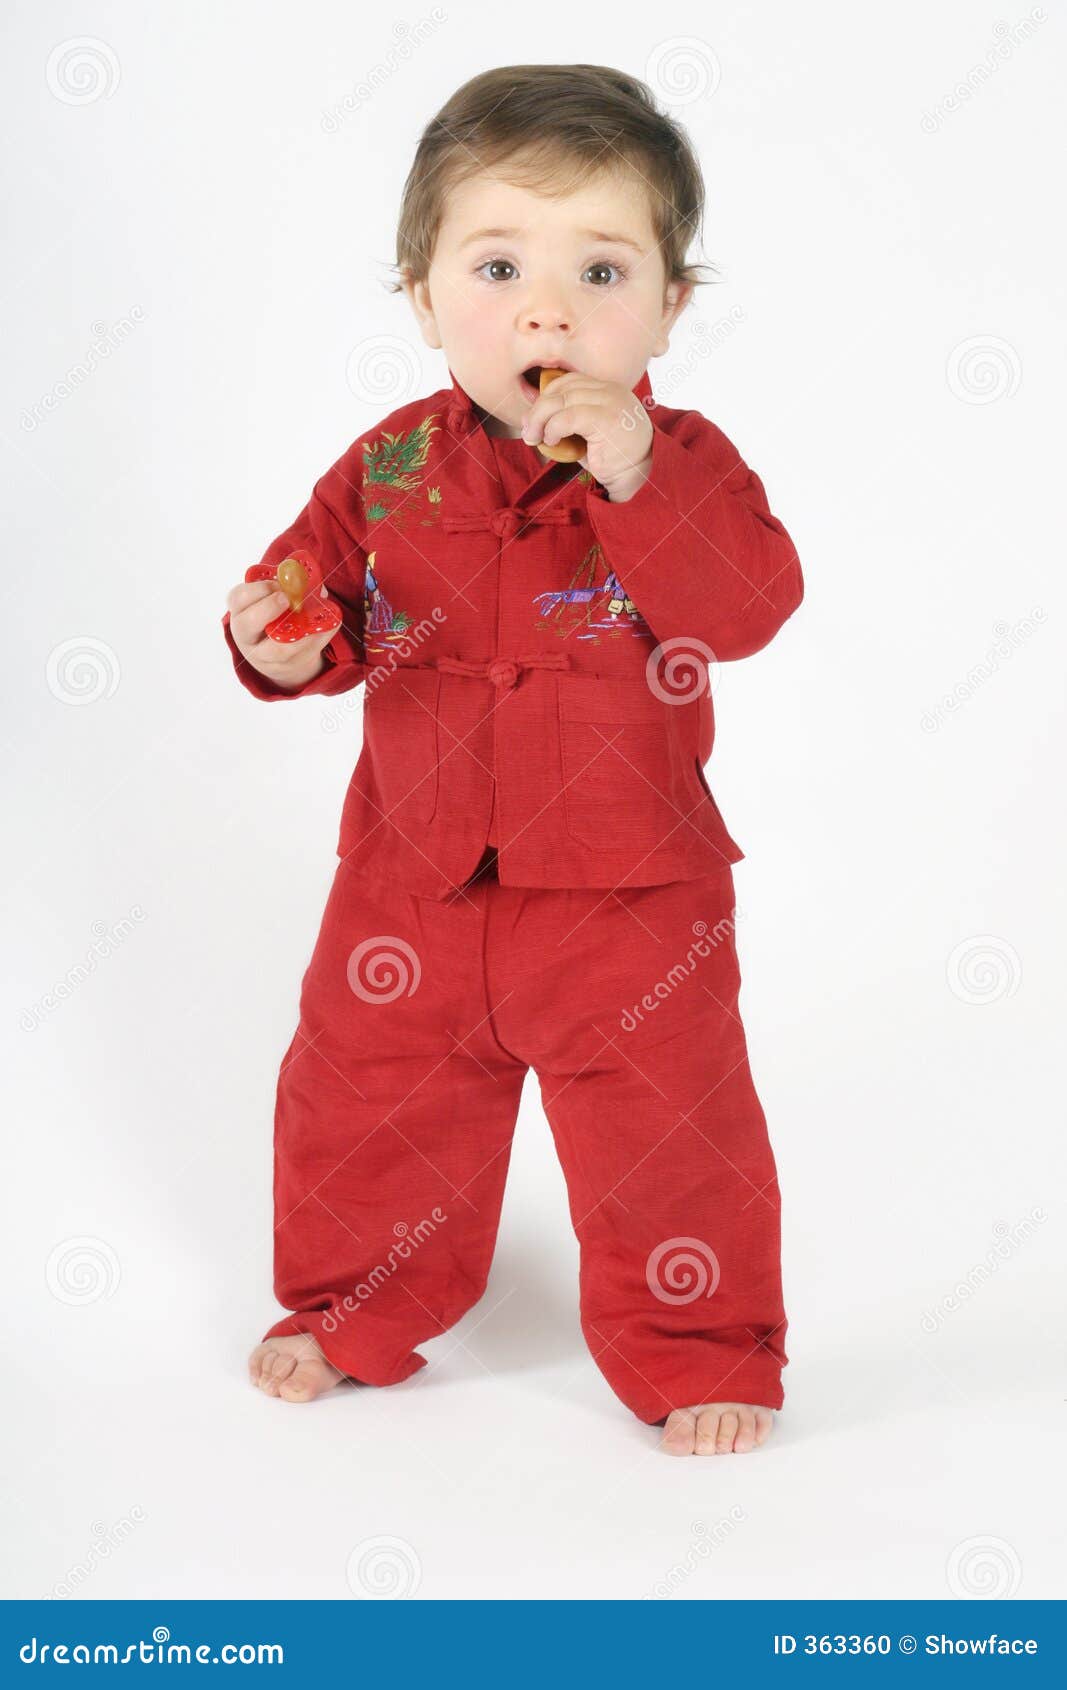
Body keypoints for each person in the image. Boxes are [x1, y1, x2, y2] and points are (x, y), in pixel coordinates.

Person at [221, 63, 803, 1456]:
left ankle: (701, 1343)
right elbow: (315, 598)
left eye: (602, 269)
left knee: (676, 1126)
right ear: (422, 297)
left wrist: (639, 479)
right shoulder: (393, 468)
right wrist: (282, 642)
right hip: (414, 886)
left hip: (629, 901)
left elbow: (748, 604)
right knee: (363, 1096)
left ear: (670, 305)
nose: (548, 310)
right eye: (497, 265)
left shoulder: (684, 461)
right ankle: (352, 1303)